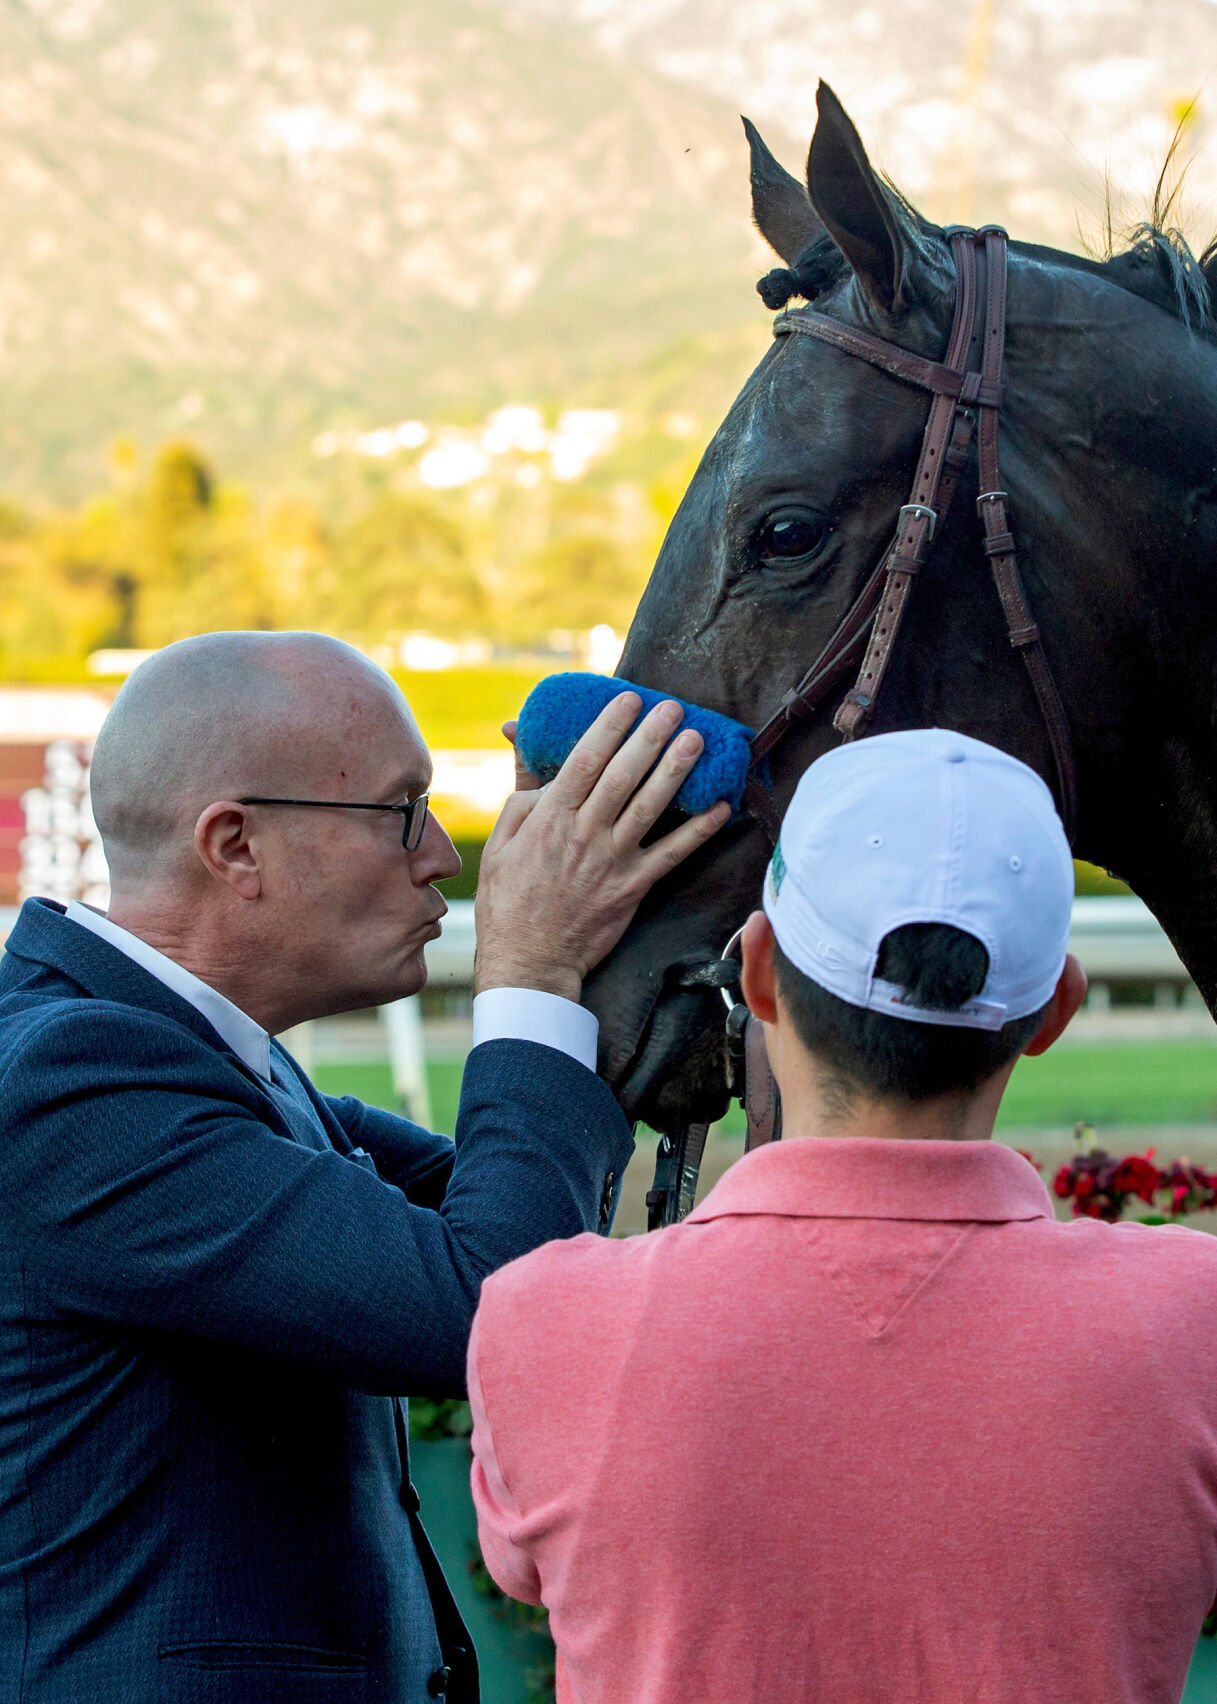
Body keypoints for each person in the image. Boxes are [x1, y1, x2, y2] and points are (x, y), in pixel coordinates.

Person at [0, 630, 730, 1704]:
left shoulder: (197, 1060)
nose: (441, 853)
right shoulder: (78, 1080)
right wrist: (531, 971)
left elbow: (533, 1229)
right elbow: (489, 1297)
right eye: (402, 811)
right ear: (235, 847)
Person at [469, 727, 1217, 1704]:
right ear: (1053, 1011)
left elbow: (525, 1570)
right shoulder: (1191, 1317)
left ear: (759, 973)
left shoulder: (543, 1316)